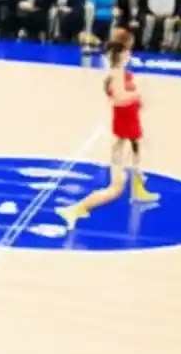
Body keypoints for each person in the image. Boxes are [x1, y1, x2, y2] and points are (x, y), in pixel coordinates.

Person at [55, 35, 159, 230]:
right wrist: (138, 93)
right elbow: (119, 99)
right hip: (122, 131)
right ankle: (76, 208)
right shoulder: (116, 75)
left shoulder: (124, 74)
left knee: (137, 156)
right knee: (116, 188)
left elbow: (128, 98)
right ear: (120, 54)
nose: (130, 53)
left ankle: (138, 189)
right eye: (127, 50)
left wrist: (138, 98)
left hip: (129, 127)